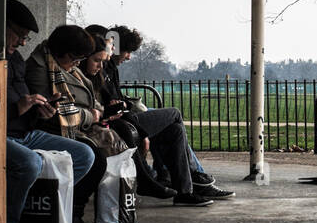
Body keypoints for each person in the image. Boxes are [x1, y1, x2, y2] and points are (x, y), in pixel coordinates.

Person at [90, 24, 233, 201]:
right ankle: (191, 175)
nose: (128, 56)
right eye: (126, 51)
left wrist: (121, 104)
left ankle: (184, 191)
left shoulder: (108, 69)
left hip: (124, 117)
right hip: (121, 120)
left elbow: (114, 99)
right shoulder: (103, 69)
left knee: (175, 130)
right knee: (174, 114)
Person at [4, 0, 96, 223]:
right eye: (19, 35)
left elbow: (26, 105)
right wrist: (19, 108)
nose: (22, 42)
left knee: (84, 155)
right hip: (1, 135)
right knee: (29, 162)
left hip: (26, 131)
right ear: (2, 26)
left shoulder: (16, 61)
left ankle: (31, 208)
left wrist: (41, 110)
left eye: (25, 37)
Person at [23, 25, 110, 223]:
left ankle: (73, 211)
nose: (77, 64)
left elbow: (89, 96)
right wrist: (90, 116)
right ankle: (72, 213)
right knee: (96, 159)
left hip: (75, 125)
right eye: (76, 59)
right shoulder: (39, 69)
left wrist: (96, 112)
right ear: (65, 53)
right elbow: (58, 111)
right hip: (54, 128)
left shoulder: (64, 65)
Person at [78, 34, 176, 200]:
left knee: (172, 125)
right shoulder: (91, 74)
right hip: (93, 122)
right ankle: (171, 178)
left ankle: (168, 177)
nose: (101, 66)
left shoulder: (102, 73)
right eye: (126, 51)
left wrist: (116, 108)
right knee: (173, 117)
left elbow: (108, 102)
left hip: (108, 117)